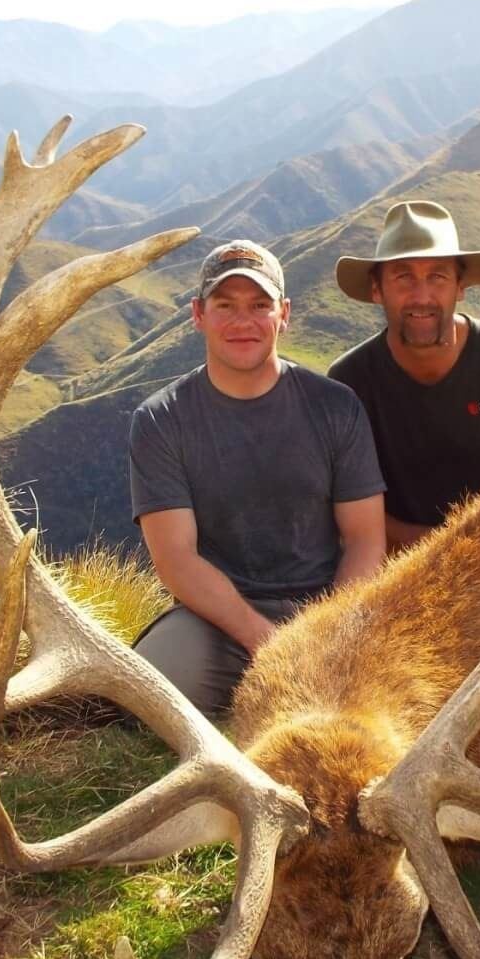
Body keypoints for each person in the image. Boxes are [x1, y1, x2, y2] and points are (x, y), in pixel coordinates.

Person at [129, 239, 386, 714]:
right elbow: (176, 559)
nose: (242, 321)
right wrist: (267, 642)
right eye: (225, 305)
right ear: (198, 314)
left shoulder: (335, 406)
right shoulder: (161, 420)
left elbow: (364, 538)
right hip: (218, 619)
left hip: (327, 608)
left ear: (283, 314)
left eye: (259, 305)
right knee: (150, 694)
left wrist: (332, 631)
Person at [328, 200, 480, 551]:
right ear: (377, 290)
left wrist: (476, 551)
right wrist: (443, 552)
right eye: (403, 277)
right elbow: (348, 509)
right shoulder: (349, 382)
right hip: (396, 569)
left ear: (460, 287)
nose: (421, 296)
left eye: (437, 277)